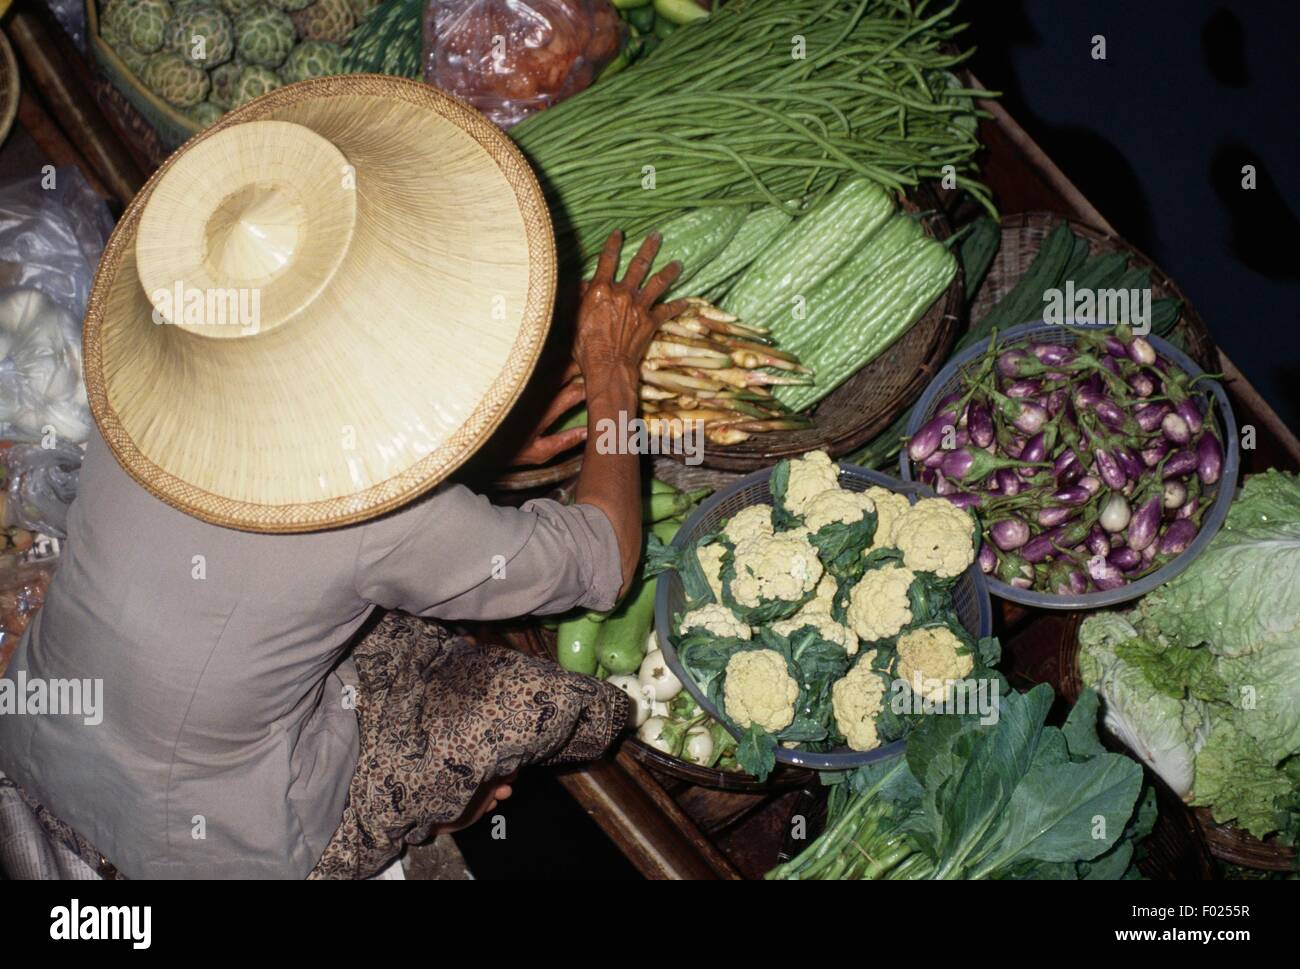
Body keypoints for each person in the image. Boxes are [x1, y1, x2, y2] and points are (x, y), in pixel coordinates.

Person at [0, 77, 687, 879]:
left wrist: (477, 465)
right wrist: (612, 374)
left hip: (33, 726)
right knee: (526, 703)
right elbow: (604, 560)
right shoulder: (380, 522)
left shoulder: (144, 393)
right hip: (205, 844)